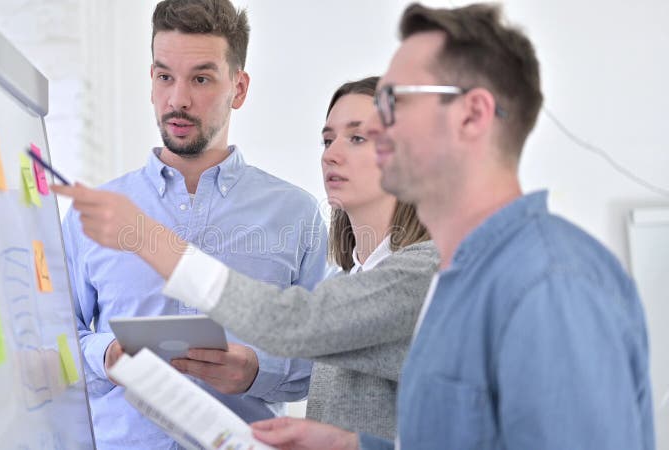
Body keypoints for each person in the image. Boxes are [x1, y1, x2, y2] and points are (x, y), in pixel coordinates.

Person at [56, 2, 655, 449]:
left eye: (393, 106)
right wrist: (352, 446)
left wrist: (147, 239)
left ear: (472, 115)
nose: (366, 139)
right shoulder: (461, 274)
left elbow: (298, 324)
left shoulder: (551, 279)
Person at [58, 76, 439, 440]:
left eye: (357, 138)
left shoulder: (426, 274)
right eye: (327, 139)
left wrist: (152, 242)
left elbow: (296, 325)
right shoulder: (347, 280)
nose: (331, 155)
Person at [60, 0, 328, 448]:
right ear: (151, 81)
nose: (178, 99)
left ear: (238, 89)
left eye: (201, 79)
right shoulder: (97, 215)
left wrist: (257, 370)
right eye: (165, 76)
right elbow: (53, 339)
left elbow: (322, 359)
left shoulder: (295, 215)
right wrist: (103, 355)